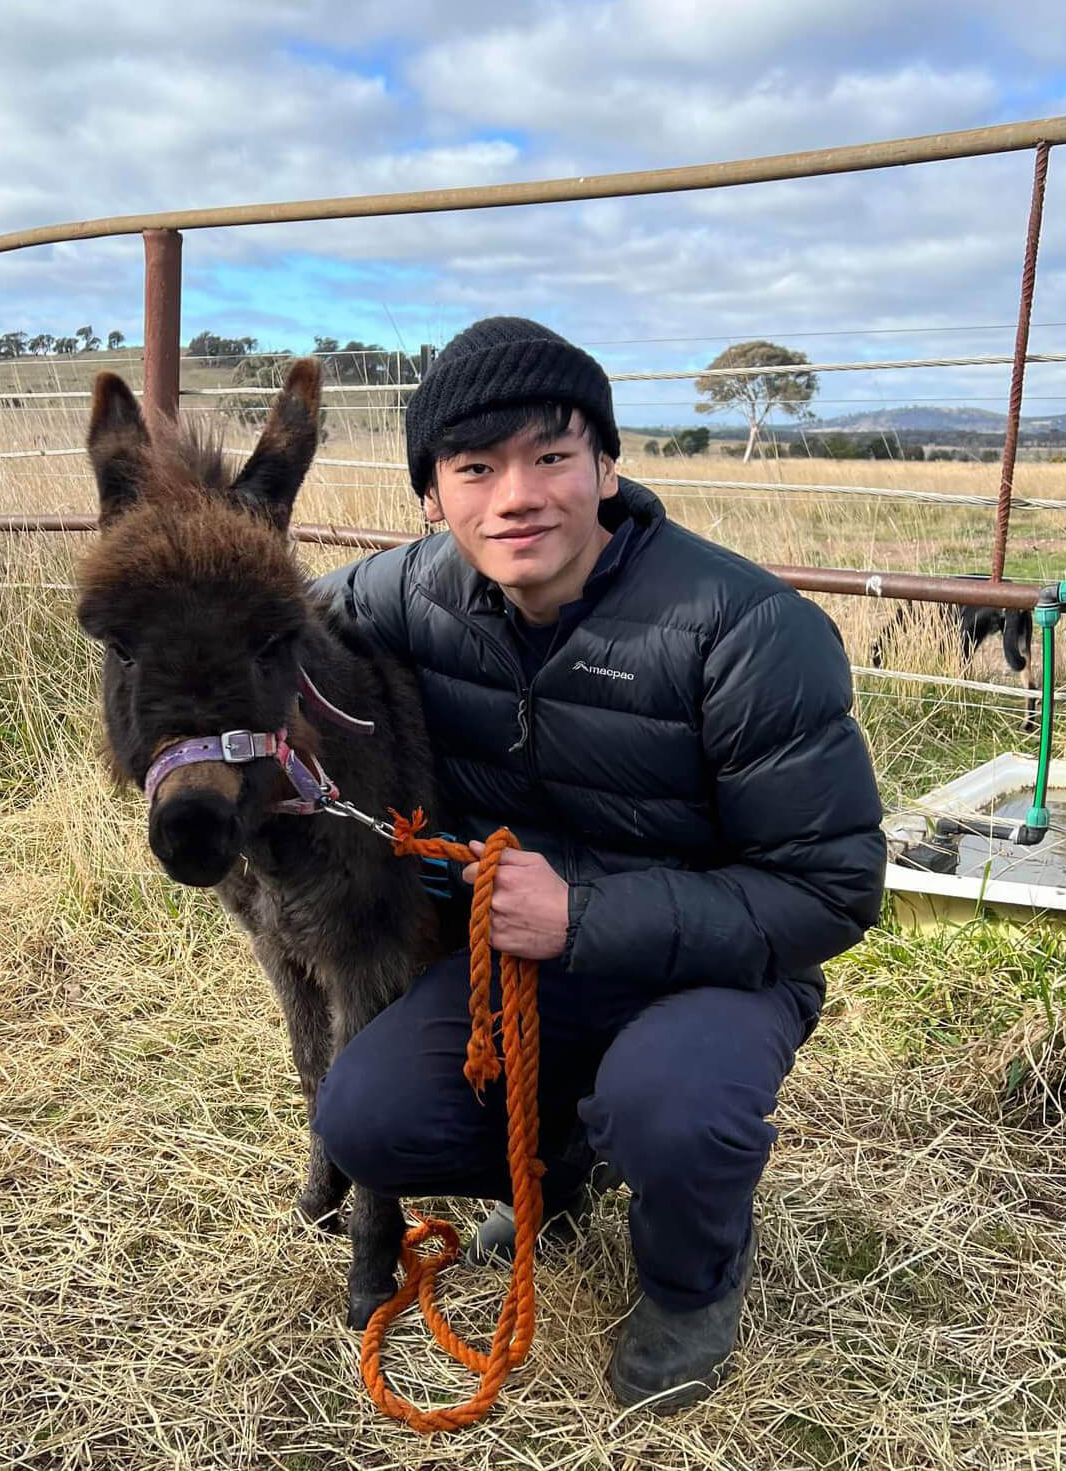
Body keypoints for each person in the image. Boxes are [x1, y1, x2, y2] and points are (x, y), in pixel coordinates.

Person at [310, 316, 886, 1413]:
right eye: (475, 468)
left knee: (671, 1108)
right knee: (365, 1119)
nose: (515, 496)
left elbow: (831, 888)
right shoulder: (411, 592)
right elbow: (278, 622)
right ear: (433, 496)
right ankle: (557, 1167)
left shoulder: (747, 630)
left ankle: (688, 1282)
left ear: (607, 466)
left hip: (721, 962)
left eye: (551, 457)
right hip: (527, 965)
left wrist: (583, 917)